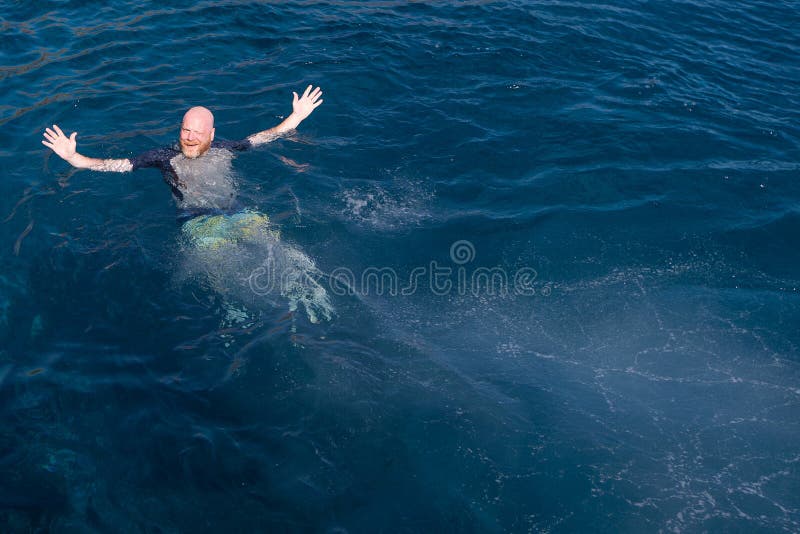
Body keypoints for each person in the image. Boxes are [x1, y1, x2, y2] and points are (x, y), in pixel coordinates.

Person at [42, 85, 324, 215]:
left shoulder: (225, 148)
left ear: (211, 135)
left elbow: (264, 137)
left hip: (236, 210)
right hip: (198, 221)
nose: (189, 138)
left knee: (279, 249)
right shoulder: (164, 158)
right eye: (185, 130)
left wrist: (296, 118)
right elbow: (120, 165)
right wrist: (75, 159)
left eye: (197, 133)